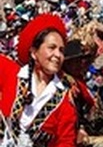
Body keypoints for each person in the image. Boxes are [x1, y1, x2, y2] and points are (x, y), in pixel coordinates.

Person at [0, 14, 77, 146]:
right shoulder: (11, 74)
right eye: (52, 48)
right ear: (34, 52)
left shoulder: (64, 102)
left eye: (61, 50)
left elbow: (65, 142)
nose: (58, 55)